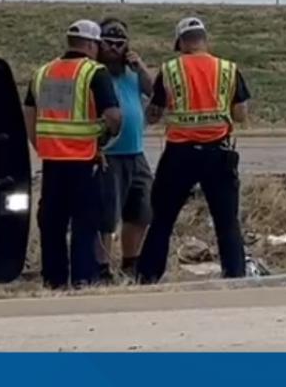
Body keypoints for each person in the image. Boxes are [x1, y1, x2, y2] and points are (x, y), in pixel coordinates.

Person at [136, 17, 252, 284]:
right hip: (218, 153)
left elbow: (154, 114)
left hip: (179, 154)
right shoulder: (228, 69)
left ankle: (147, 278)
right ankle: (235, 279)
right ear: (205, 40)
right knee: (227, 223)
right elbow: (240, 113)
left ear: (180, 43)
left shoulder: (170, 70)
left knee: (162, 221)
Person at [23, 20, 123, 289]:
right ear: (92, 44)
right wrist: (105, 137)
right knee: (85, 224)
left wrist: (41, 145)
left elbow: (29, 115)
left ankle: (53, 281)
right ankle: (82, 279)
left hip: (53, 163)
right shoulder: (94, 72)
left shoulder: (43, 72)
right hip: (84, 162)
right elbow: (112, 116)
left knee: (52, 224)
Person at [95, 18, 155, 279]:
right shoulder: (95, 73)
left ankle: (131, 262)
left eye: (120, 44)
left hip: (136, 152)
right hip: (108, 154)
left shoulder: (131, 74)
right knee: (106, 216)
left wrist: (139, 66)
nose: (114, 49)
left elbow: (155, 92)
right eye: (108, 43)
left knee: (141, 212)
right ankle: (102, 266)